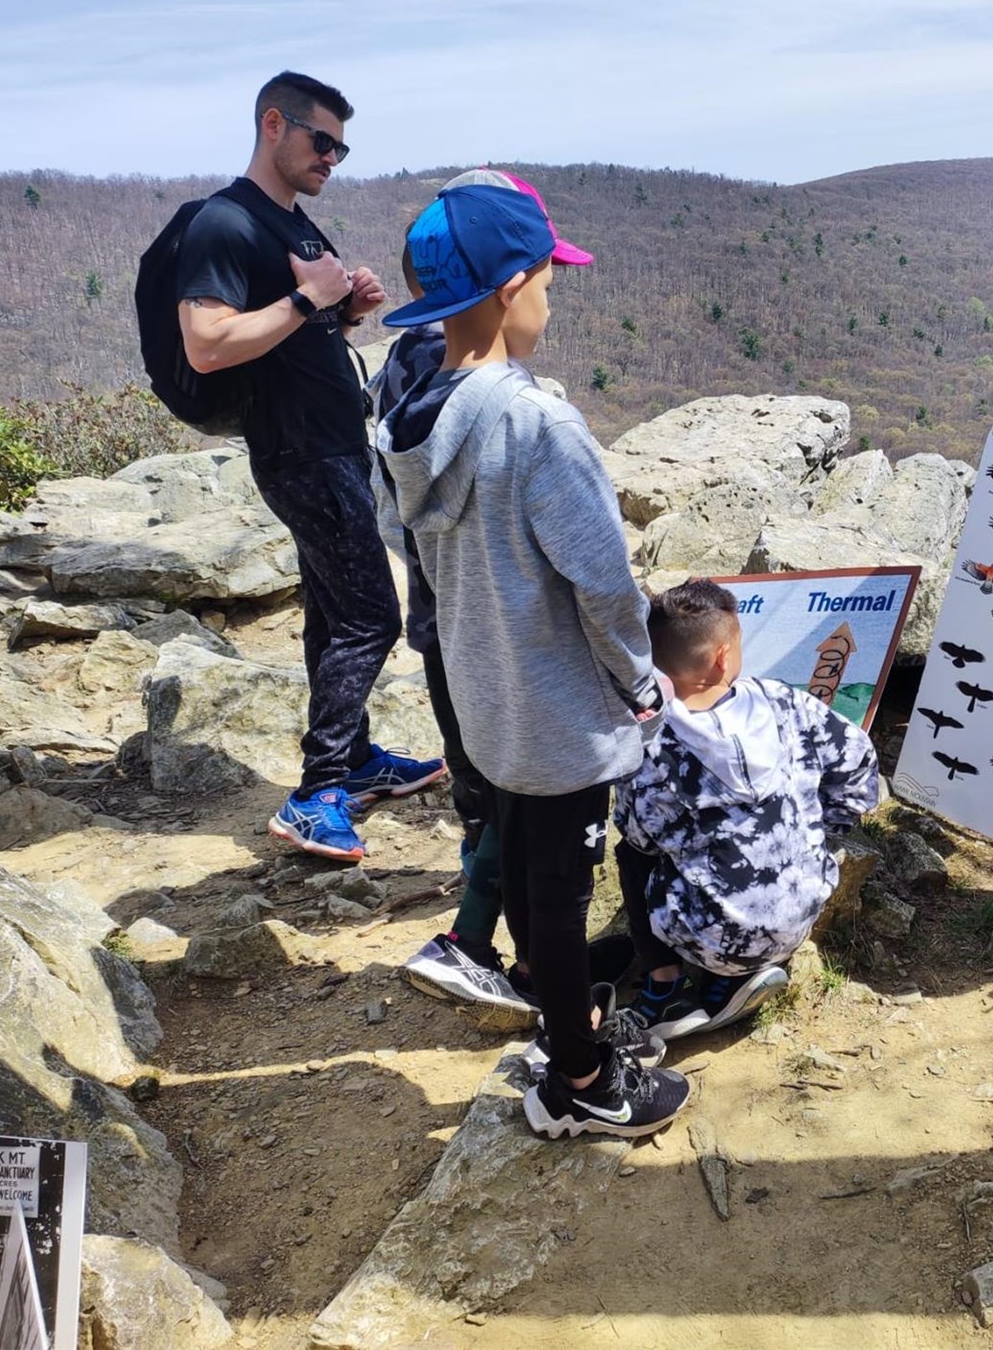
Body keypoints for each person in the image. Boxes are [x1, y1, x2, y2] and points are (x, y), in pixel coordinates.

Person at [375, 180, 689, 1141]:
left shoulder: (407, 417)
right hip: (559, 711)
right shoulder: (538, 426)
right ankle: (583, 1083)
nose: (554, 295)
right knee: (559, 896)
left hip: (485, 695)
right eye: (550, 277)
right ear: (514, 285)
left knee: (522, 877)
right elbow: (601, 582)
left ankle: (567, 1033)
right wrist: (642, 680)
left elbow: (403, 536)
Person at [176, 70, 443, 863]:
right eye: (321, 140)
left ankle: (354, 759)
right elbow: (208, 341)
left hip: (331, 443)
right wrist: (304, 302)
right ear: (273, 126)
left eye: (342, 145)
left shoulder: (292, 225)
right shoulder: (225, 224)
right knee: (371, 617)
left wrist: (342, 306)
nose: (334, 157)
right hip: (298, 450)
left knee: (332, 613)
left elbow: (300, 330)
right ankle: (318, 790)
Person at [382, 169, 592, 1019]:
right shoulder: (513, 406)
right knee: (529, 814)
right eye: (544, 277)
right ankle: (541, 996)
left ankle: (492, 947)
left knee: (490, 794)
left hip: (448, 629)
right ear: (507, 286)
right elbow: (584, 564)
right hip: (513, 638)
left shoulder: (403, 382)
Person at [612, 579, 881, 1038]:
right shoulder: (786, 703)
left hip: (712, 939)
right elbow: (859, 763)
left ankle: (665, 982)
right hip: (801, 911)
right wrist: (823, 827)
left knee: (630, 854)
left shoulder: (654, 742)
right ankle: (729, 983)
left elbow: (641, 835)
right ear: (723, 657)